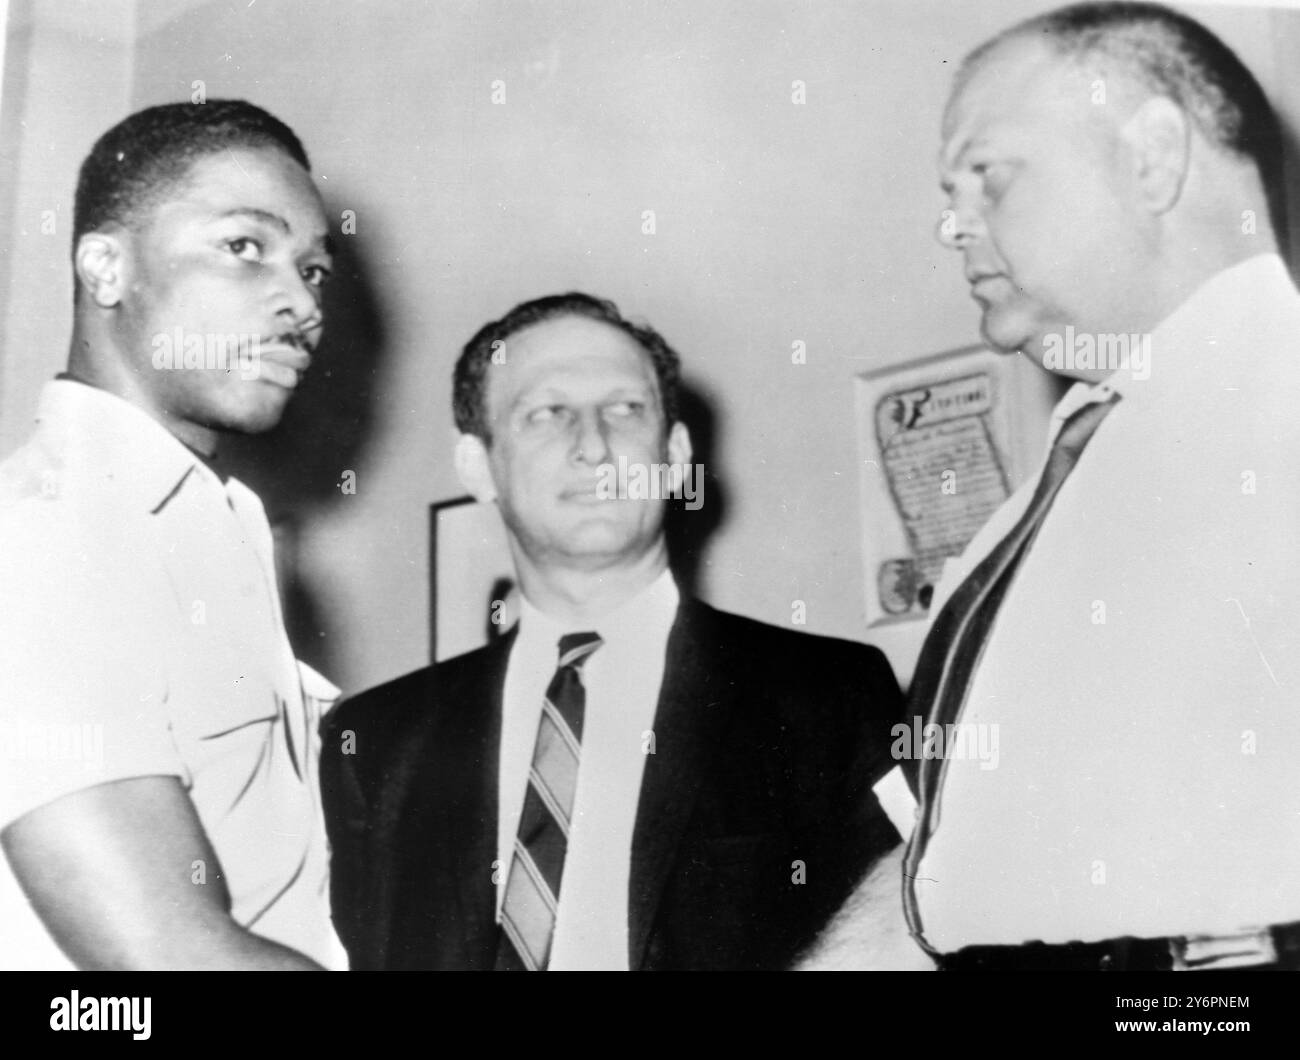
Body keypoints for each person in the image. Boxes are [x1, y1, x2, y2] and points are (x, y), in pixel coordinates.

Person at [801, 0, 1300, 972]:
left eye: (988, 176)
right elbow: (930, 869)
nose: (951, 226)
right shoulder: (1022, 519)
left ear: (1152, 158)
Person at [321, 292, 903, 970]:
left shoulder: (826, 697)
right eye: (547, 414)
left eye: (626, 410)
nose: (594, 446)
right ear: (479, 467)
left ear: (676, 453)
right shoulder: (376, 746)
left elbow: (909, 927)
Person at [0, 100, 342, 969]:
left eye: (314, 270)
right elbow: (166, 958)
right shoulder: (43, 534)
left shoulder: (211, 528)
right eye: (244, 248)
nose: (301, 304)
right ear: (106, 268)